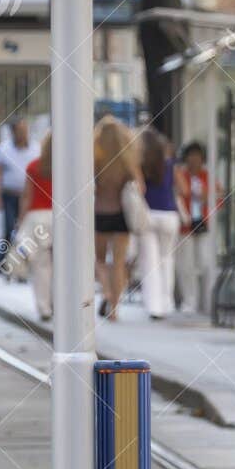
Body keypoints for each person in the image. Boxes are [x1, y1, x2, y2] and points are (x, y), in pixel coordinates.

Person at [94, 114, 143, 321]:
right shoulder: (127, 161)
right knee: (120, 262)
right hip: (122, 215)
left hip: (101, 213)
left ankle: (105, 291)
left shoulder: (95, 158)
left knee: (100, 259)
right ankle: (114, 309)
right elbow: (141, 187)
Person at [138, 127, 180, 319]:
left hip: (148, 215)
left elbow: (138, 189)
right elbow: (184, 189)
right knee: (167, 260)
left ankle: (154, 306)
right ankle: (167, 302)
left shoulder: (141, 165)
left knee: (150, 262)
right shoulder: (170, 164)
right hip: (169, 216)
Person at [16, 130, 54, 320]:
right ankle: (59, 302)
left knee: (41, 264)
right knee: (62, 264)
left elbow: (27, 197)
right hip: (60, 217)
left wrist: (20, 221)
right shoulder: (67, 167)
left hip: (37, 217)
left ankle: (44, 307)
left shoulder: (33, 167)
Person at [175, 140, 214, 314]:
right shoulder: (181, 175)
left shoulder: (208, 177)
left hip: (204, 225)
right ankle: (189, 300)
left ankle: (206, 300)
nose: (194, 160)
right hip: (185, 227)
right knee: (186, 266)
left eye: (197, 156)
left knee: (204, 262)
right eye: (191, 156)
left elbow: (217, 198)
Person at [0, 119, 36, 248]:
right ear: (13, 132)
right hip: (9, 196)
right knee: (10, 227)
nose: (24, 133)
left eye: (25, 130)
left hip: (29, 196)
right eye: (20, 130)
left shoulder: (36, 148)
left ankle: (25, 259)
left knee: (27, 226)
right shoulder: (3, 149)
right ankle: (7, 259)